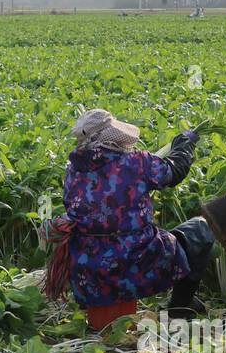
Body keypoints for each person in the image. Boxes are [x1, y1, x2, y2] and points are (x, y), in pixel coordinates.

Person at [42, 109, 214, 331]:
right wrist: (184, 146)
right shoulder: (136, 163)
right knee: (201, 229)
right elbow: (175, 172)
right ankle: (181, 307)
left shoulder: (73, 169)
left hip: (88, 270)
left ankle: (100, 322)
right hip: (134, 261)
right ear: (112, 137)